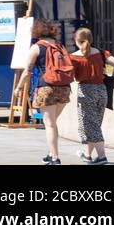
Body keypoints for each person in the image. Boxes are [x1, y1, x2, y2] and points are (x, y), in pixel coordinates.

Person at [16, 19, 76, 164]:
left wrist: (18, 87)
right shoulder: (60, 46)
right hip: (64, 88)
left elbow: (27, 71)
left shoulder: (36, 47)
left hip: (46, 88)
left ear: (36, 31)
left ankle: (55, 158)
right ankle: (51, 153)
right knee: (53, 122)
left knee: (49, 124)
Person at [70, 27, 114, 165]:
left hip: (86, 90)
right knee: (95, 124)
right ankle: (87, 155)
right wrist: (113, 78)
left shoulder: (74, 57)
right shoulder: (100, 52)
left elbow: (68, 75)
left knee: (90, 125)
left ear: (77, 41)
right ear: (91, 39)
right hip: (102, 89)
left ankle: (102, 156)